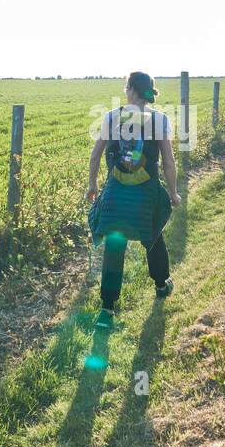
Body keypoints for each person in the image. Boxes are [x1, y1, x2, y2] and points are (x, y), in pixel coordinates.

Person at [86, 71, 181, 331]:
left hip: (116, 194)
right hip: (146, 194)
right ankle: (162, 284)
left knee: (115, 244)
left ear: (130, 90)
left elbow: (95, 157)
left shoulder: (112, 117)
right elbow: (169, 162)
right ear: (148, 92)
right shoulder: (159, 119)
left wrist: (92, 186)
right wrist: (173, 193)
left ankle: (107, 309)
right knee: (153, 235)